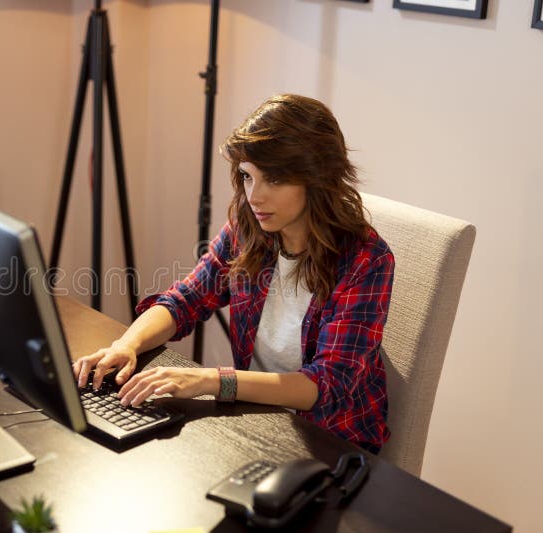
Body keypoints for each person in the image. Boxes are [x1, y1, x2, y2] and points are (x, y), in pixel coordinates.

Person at [71, 94, 394, 453]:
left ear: (317, 177)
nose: (254, 196)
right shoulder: (250, 227)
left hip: (334, 441)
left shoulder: (367, 260)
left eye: (272, 179)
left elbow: (327, 385)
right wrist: (125, 345)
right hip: (258, 417)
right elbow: (187, 299)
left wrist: (209, 380)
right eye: (246, 176)